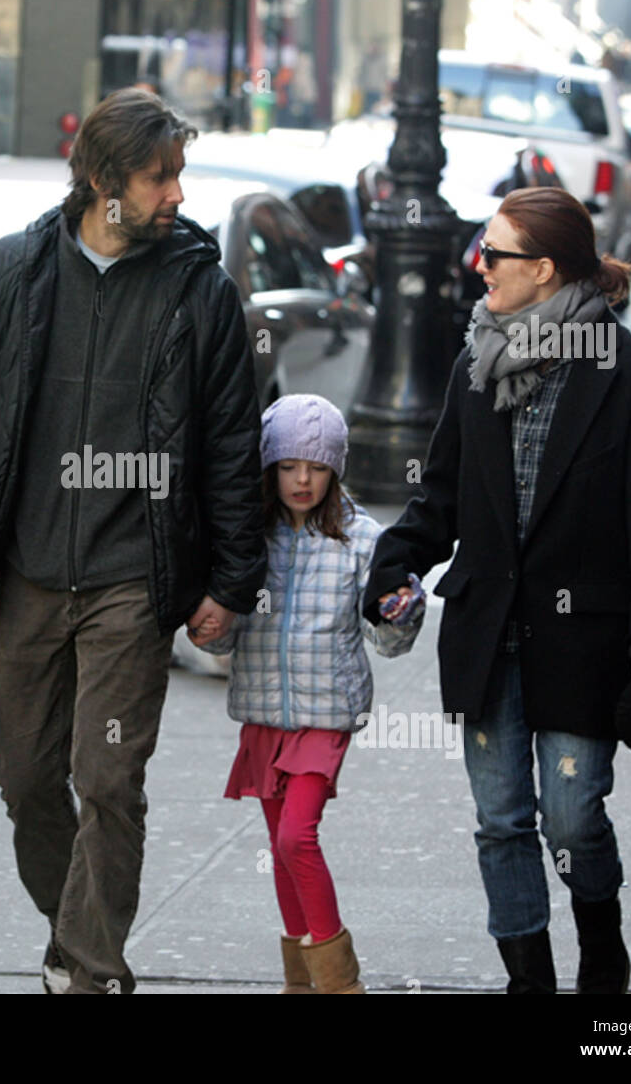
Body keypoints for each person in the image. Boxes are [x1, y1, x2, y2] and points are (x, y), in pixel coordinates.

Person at [0, 87, 267, 995]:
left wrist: (230, 580)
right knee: (30, 782)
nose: (177, 195)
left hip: (131, 578)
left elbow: (233, 441)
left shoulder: (200, 290)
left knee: (107, 779)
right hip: (27, 571)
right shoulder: (11, 273)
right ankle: (73, 934)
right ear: (103, 183)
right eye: (161, 178)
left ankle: (94, 971)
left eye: (179, 175)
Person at [363, 187, 631, 995]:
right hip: (488, 631)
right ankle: (530, 980)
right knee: (502, 819)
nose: (479, 267)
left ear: (543, 269)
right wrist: (395, 565)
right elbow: (441, 493)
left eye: (495, 254)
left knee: (573, 817)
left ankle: (602, 949)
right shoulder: (477, 361)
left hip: (584, 643)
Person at [194, 394, 424, 994]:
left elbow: (387, 639)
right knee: (278, 844)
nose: (303, 479)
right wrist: (209, 627)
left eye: (318, 467)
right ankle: (302, 981)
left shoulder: (363, 540)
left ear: (336, 469)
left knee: (297, 835)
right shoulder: (249, 539)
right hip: (264, 712)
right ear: (269, 467)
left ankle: (339, 984)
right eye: (290, 465)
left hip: (327, 712)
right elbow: (223, 641)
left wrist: (401, 614)